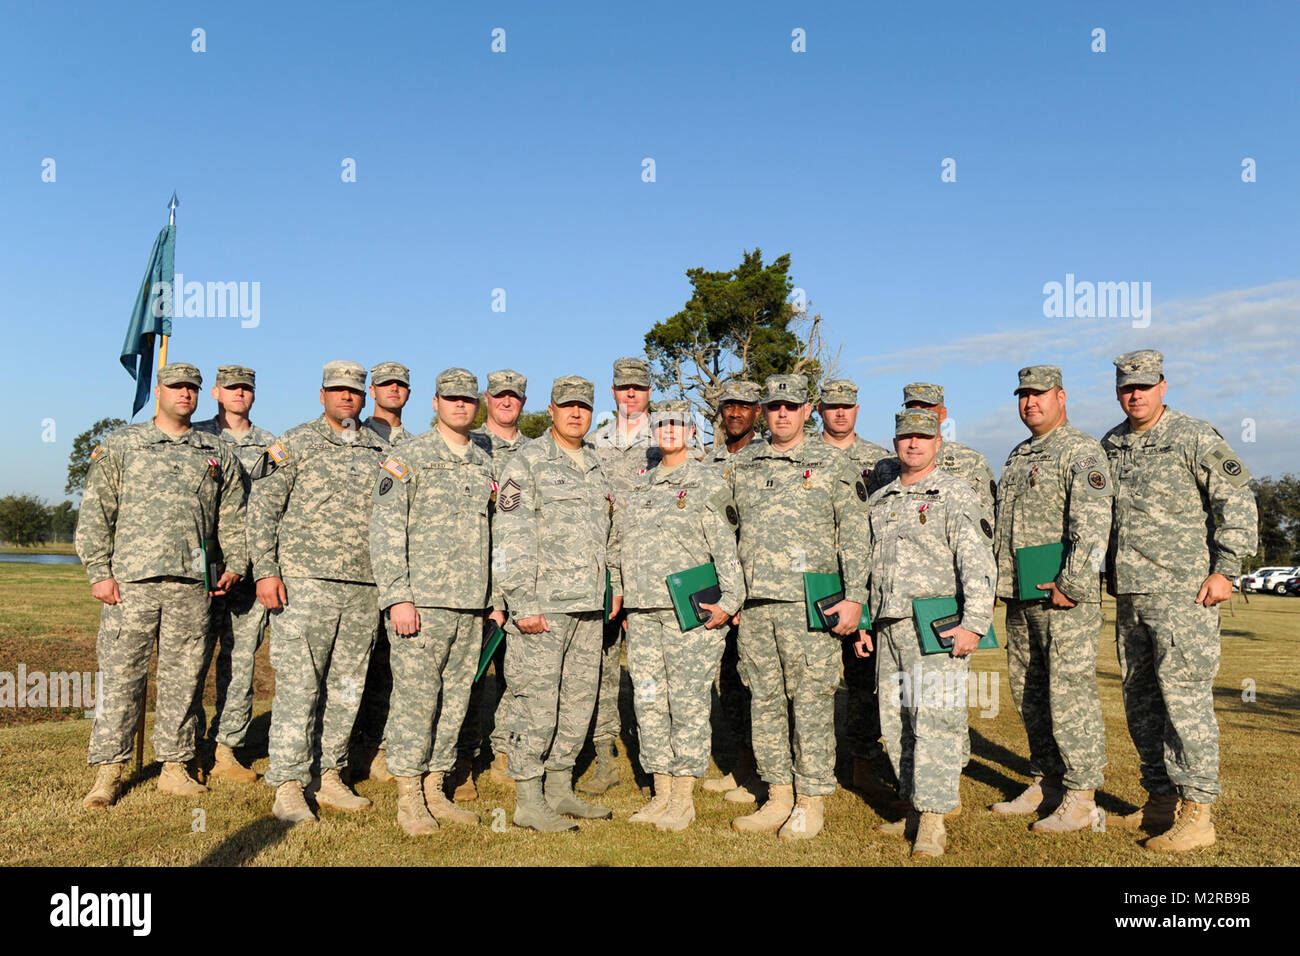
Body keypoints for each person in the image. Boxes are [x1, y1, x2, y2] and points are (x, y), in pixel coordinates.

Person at [1101, 350, 1258, 852]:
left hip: (1183, 595)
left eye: (1144, 386)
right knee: (1141, 703)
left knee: (1185, 702)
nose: (1135, 394)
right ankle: (1160, 800)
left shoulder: (1194, 436)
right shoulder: (1112, 443)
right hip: (1130, 595)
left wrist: (1226, 569)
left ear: (1163, 386)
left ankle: (1199, 813)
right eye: (1127, 386)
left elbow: (1236, 499)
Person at [78, 363, 246, 809]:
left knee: (183, 680)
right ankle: (109, 770)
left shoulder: (215, 451)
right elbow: (97, 510)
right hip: (131, 584)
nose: (185, 394)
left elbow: (232, 515)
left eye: (192, 388)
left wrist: (235, 563)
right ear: (159, 391)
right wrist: (99, 571)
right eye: (176, 387)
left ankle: (175, 764)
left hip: (192, 585)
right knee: (120, 678)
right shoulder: (123, 444)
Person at [726, 373, 871, 840]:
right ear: (764, 412)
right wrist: (732, 595)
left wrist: (855, 599)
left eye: (791, 406)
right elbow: (727, 536)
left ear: (808, 410)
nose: (782, 413)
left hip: (813, 604)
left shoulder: (832, 463)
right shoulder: (743, 464)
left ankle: (811, 801)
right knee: (763, 701)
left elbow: (855, 537)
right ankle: (778, 795)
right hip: (756, 606)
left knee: (810, 702)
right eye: (774, 406)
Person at [248, 360, 388, 825]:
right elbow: (262, 509)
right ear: (322, 394)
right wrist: (266, 571)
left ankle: (328, 774)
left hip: (364, 587)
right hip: (304, 585)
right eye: (338, 390)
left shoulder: (378, 449)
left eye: (354, 391)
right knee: (300, 685)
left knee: (347, 687)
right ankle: (287, 783)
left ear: (364, 398)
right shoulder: (295, 443)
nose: (347, 397)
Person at [370, 368, 502, 835]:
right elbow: (386, 532)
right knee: (416, 700)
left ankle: (434, 788)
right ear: (435, 402)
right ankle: (408, 797)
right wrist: (398, 598)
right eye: (451, 398)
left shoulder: (485, 462)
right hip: (421, 604)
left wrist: (496, 598)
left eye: (468, 399)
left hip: (471, 604)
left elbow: (496, 534)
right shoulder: (410, 457)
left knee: (455, 701)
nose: (460, 405)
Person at [494, 375, 622, 831]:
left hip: (588, 606)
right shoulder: (525, 462)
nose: (575, 414)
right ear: (550, 411)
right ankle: (528, 799)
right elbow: (509, 537)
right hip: (543, 608)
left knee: (578, 702)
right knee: (535, 702)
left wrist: (616, 585)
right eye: (566, 406)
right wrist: (521, 602)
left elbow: (610, 534)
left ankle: (560, 788)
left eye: (583, 408)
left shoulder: (596, 465)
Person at [867, 409, 996, 858]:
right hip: (889, 625)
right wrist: (868, 621)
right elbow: (871, 570)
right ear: (896, 442)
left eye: (923, 437)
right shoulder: (880, 500)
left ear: (938, 442)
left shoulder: (955, 493)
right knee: (896, 720)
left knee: (935, 722)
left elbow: (978, 562)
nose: (913, 444)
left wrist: (974, 623)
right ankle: (913, 806)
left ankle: (935, 821)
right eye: (905, 437)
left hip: (938, 626)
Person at [614, 400, 745, 831]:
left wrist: (730, 601)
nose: (669, 429)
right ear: (653, 431)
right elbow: (625, 547)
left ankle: (683, 799)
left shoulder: (707, 481)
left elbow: (727, 546)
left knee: (687, 703)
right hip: (645, 611)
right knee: (649, 702)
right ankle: (662, 792)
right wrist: (626, 596)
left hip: (690, 613)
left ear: (692, 432)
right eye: (662, 423)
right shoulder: (642, 485)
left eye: (678, 424)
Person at [991, 366, 1111, 832]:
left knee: (1069, 693)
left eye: (1039, 395)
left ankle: (1081, 797)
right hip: (1023, 596)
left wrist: (1072, 583)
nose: (1030, 403)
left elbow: (1093, 524)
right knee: (1029, 692)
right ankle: (1047, 780)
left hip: (1065, 599)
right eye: (1023, 395)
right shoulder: (1019, 454)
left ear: (1062, 396)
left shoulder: (1081, 451)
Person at [192, 365, 275, 784]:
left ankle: (227, 748)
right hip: (201, 568)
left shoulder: (272, 446)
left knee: (240, 662)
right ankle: (187, 749)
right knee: (191, 661)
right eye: (232, 388)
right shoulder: (197, 438)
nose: (240, 394)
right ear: (216, 393)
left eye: (246, 388)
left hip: (250, 573)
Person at [817, 377, 896, 803]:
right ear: (819, 410)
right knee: (814, 680)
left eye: (847, 405)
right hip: (816, 584)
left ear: (857, 410)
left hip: (864, 586)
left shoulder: (881, 462)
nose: (840, 412)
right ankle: (814, 765)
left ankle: (864, 764)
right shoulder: (805, 456)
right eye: (832, 406)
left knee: (864, 682)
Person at [585, 357, 658, 795]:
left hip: (654, 575)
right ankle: (604, 757)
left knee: (651, 675)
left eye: (639, 388)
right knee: (602, 670)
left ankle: (655, 765)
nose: (631, 394)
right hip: (606, 573)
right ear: (613, 391)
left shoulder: (668, 440)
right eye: (623, 387)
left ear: (649, 391)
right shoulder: (593, 444)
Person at [460, 368, 531, 795]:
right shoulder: (472, 446)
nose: (507, 402)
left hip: (521, 580)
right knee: (471, 674)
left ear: (523, 401)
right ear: (486, 398)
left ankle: (506, 754)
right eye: (499, 395)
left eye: (515, 396)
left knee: (518, 676)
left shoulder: (538, 451)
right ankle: (464, 758)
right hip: (474, 579)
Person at [702, 379, 765, 803]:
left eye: (744, 406)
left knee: (761, 683)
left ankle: (764, 770)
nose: (736, 413)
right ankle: (742, 765)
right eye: (729, 407)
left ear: (756, 412)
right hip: (720, 590)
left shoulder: (768, 459)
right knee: (729, 680)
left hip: (759, 588)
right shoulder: (708, 462)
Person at [353, 361, 415, 786]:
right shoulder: (354, 438)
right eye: (385, 383)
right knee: (356, 669)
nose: (394, 389)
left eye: (401, 384)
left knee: (396, 668)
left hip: (404, 575)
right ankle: (353, 747)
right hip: (356, 572)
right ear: (371, 390)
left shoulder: (417, 445)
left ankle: (384, 746)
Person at [872, 383, 996, 517]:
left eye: (926, 408)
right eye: (912, 408)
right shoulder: (886, 466)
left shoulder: (971, 461)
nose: (919, 414)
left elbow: (986, 517)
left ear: (943, 414)